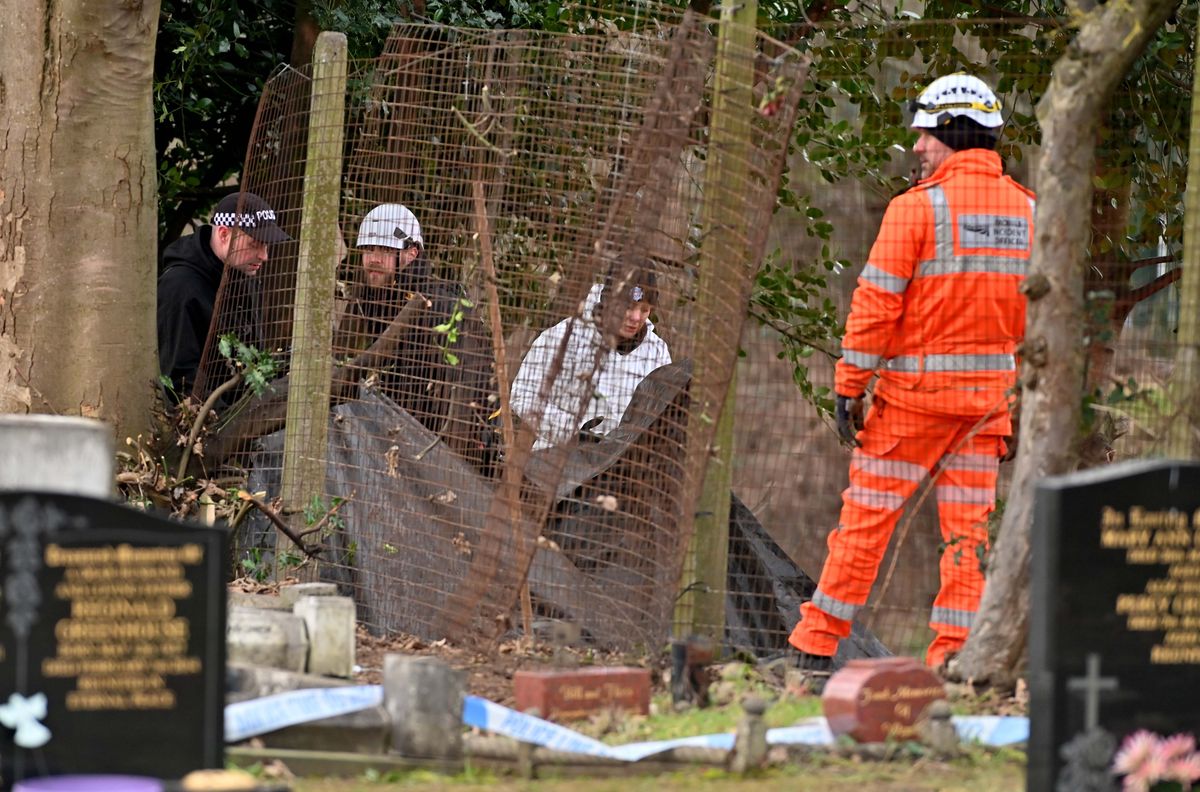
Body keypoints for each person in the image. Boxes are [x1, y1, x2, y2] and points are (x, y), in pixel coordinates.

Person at [788, 74, 1036, 676]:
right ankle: (955, 666)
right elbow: (1039, 319)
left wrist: (849, 385)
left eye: (924, 134)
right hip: (985, 412)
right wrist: (1018, 404)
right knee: (968, 542)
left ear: (951, 133)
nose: (918, 147)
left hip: (911, 408)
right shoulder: (1031, 211)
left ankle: (812, 653)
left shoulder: (915, 209)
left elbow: (874, 307)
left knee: (864, 526)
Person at [335, 203, 492, 453]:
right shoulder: (368, 300)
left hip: (433, 449)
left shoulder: (443, 309)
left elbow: (467, 398)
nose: (373, 259)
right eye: (368, 249)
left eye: (385, 249)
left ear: (412, 253)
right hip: (378, 441)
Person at [510, 263, 672, 450]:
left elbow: (661, 419)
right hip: (556, 460)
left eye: (644, 309)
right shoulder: (565, 336)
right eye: (629, 306)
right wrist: (572, 433)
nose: (636, 317)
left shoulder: (657, 354)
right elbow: (522, 394)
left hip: (621, 470)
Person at [157, 191, 289, 401]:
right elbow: (180, 380)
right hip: (208, 423)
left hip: (248, 414)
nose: (264, 256)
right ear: (224, 234)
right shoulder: (180, 287)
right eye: (254, 244)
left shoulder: (244, 276)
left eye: (266, 245)